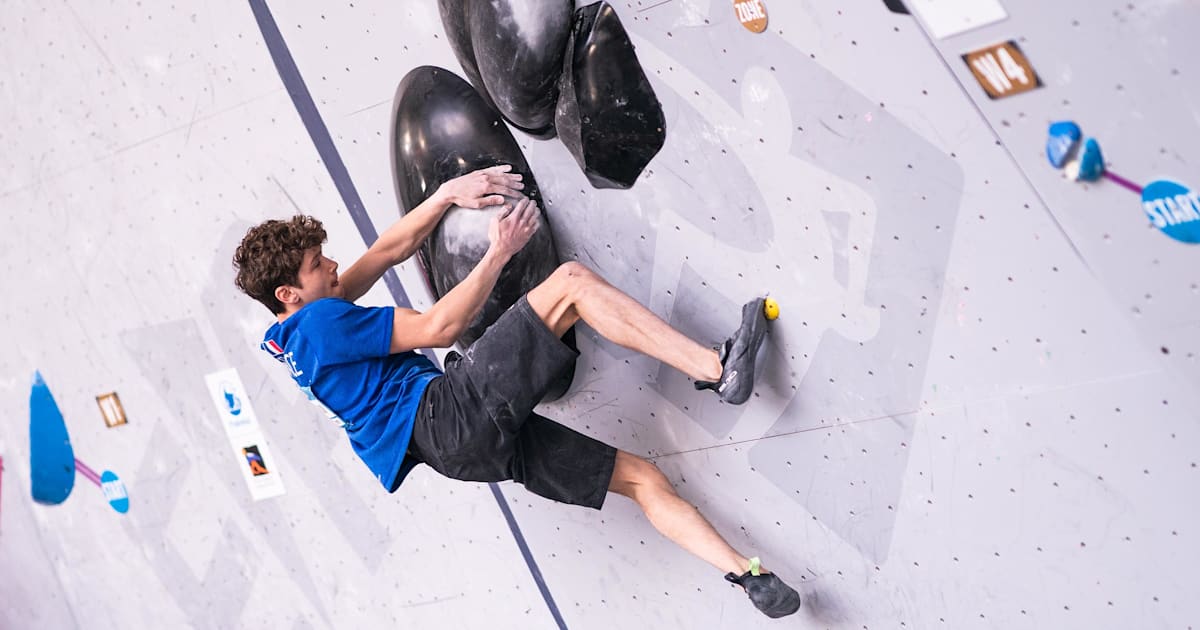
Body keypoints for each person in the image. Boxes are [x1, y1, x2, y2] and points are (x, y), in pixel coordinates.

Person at [233, 165, 800, 618]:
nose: (332, 264)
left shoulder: (291, 339)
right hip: (444, 414)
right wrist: (499, 250)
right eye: (316, 265)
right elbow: (437, 329)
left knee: (641, 478)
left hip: (456, 454)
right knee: (571, 285)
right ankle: (716, 366)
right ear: (289, 292)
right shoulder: (320, 324)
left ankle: (749, 576)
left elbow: (383, 253)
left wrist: (447, 194)